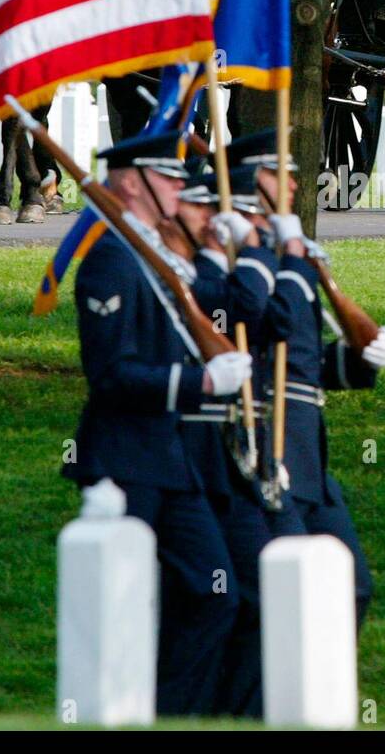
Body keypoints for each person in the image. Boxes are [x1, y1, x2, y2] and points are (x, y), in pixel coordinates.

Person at [64, 132, 253, 716]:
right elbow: (112, 375)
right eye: (167, 176)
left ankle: (172, 713)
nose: (179, 185)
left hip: (170, 461)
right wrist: (199, 382)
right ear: (130, 182)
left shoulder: (158, 258)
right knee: (120, 603)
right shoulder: (111, 261)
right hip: (125, 461)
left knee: (211, 591)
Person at [226, 129, 385, 627]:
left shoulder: (284, 252)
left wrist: (358, 360)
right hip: (267, 445)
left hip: (308, 453)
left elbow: (302, 362)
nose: (295, 187)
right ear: (251, 181)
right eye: (281, 175)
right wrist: (296, 266)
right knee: (291, 599)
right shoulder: (242, 256)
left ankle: (324, 701)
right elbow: (260, 330)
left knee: (353, 588)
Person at [175, 167, 281, 717]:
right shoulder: (189, 268)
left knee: (254, 594)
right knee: (210, 598)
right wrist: (259, 254)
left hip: (237, 454)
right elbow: (238, 308)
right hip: (191, 458)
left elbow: (278, 320)